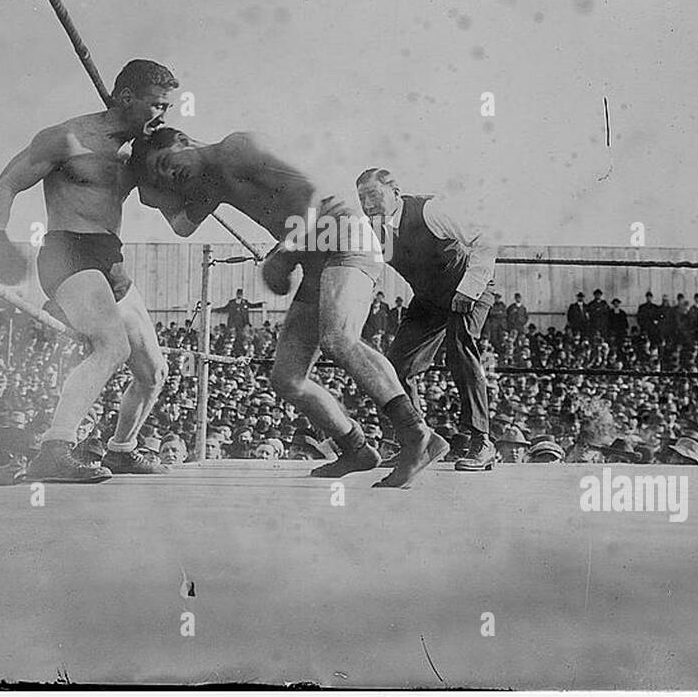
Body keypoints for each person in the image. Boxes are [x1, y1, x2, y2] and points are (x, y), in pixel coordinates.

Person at [134, 127, 449, 488]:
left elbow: (310, 193)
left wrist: (285, 254)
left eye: (167, 164)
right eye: (162, 175)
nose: (172, 176)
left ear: (182, 141)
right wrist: (142, 183)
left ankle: (416, 434)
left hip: (342, 233)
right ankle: (355, 447)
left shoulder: (238, 147)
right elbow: (182, 227)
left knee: (339, 339)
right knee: (287, 378)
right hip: (311, 252)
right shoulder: (209, 183)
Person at [0, 59, 177, 482]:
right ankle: (54, 450)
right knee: (112, 346)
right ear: (126, 98)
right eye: (157, 105)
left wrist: (170, 165)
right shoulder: (66, 139)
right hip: (67, 251)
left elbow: (178, 216)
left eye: (168, 107)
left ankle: (122, 449)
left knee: (154, 372)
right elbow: (5, 185)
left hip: (110, 257)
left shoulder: (140, 150)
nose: (163, 115)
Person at [357, 167, 500, 471]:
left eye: (373, 195)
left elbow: (486, 239)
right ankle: (417, 443)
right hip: (429, 300)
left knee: (460, 351)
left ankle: (482, 442)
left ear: (395, 191)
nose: (368, 205)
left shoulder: (431, 210)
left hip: (465, 288)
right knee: (395, 365)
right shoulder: (371, 229)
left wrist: (469, 290)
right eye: (362, 199)